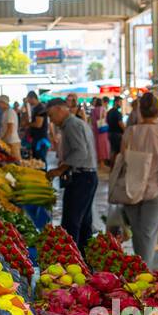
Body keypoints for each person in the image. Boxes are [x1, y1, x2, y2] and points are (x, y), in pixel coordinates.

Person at [112, 92, 158, 265]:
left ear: (140, 111)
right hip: (155, 189)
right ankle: (144, 273)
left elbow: (121, 159)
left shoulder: (130, 132)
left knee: (137, 230)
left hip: (130, 189)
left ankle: (140, 269)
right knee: (148, 233)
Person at [45, 98, 98, 250]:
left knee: (72, 222)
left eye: (51, 115)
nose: (52, 121)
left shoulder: (72, 125)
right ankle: (84, 257)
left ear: (60, 109)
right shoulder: (75, 123)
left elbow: (80, 152)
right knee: (84, 222)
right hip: (86, 176)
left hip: (81, 177)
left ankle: (72, 258)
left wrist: (59, 170)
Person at [25, 91, 50, 163]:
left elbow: (38, 124)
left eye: (29, 100)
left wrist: (28, 124)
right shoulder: (36, 108)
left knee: (40, 160)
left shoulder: (40, 108)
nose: (28, 102)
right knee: (36, 159)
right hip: (37, 138)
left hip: (40, 139)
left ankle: (43, 173)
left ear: (33, 98)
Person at [106, 96, 125, 163]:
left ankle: (111, 167)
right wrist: (125, 130)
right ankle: (115, 167)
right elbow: (120, 123)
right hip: (117, 134)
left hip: (110, 133)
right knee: (117, 151)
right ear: (116, 102)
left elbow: (107, 122)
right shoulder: (118, 113)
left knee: (112, 150)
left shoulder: (109, 112)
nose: (121, 104)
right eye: (120, 102)